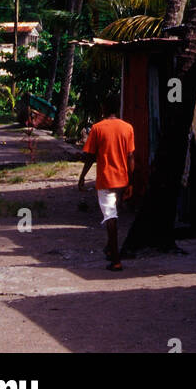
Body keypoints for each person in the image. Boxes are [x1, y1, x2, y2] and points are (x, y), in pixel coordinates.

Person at [78, 93, 135, 271]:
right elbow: (131, 157)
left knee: (110, 216)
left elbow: (90, 156)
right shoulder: (128, 128)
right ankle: (110, 250)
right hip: (123, 178)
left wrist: (82, 177)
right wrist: (131, 182)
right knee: (113, 214)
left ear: (103, 107)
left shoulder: (97, 128)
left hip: (106, 179)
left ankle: (116, 259)